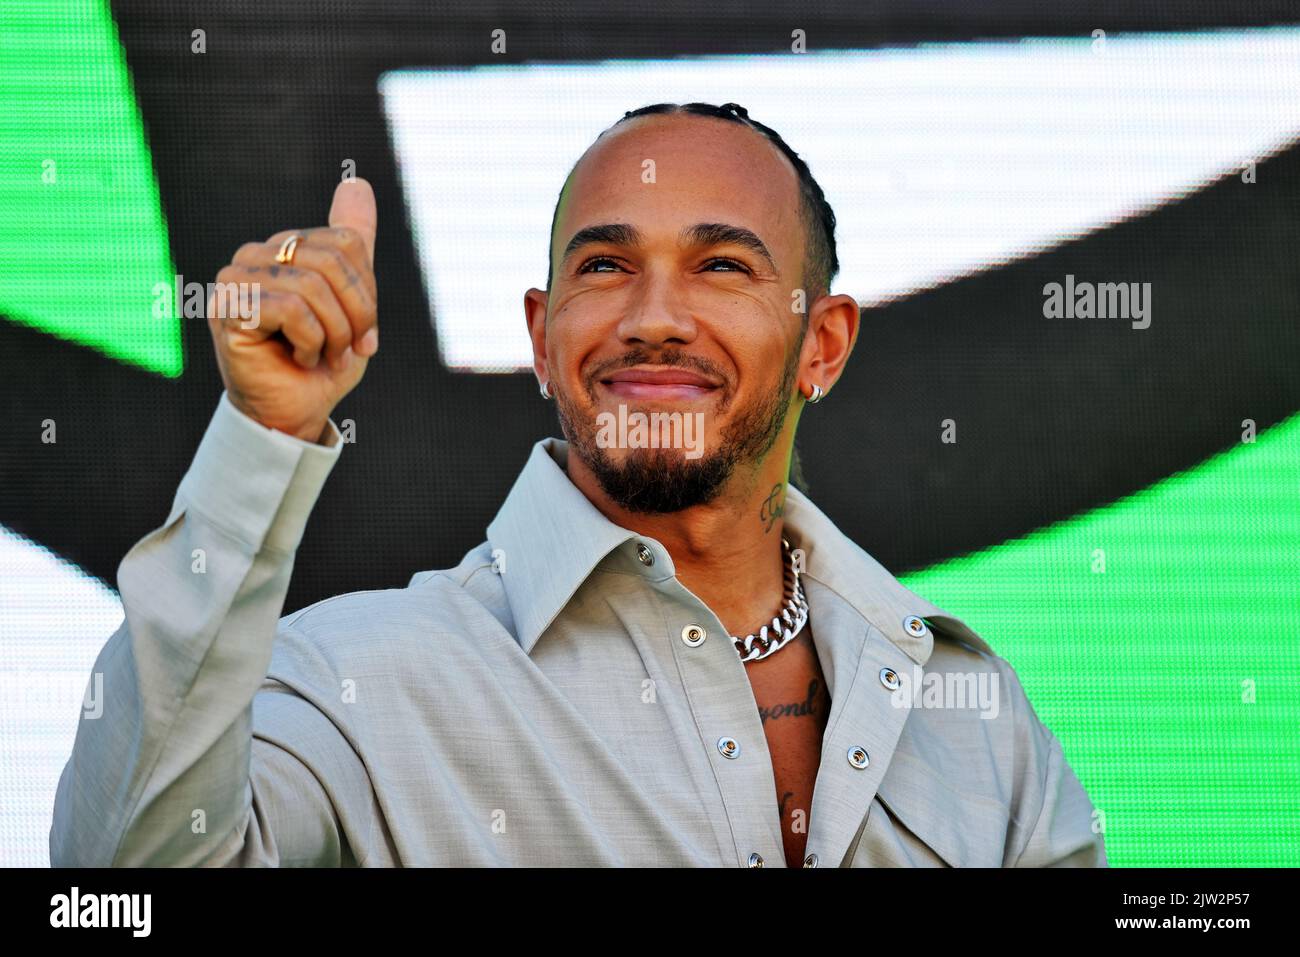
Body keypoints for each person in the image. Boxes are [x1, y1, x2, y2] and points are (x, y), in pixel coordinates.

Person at [50, 102, 1105, 868]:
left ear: (820, 346)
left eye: (722, 266)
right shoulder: (357, 680)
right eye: (603, 266)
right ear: (543, 342)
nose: (652, 315)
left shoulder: (967, 712)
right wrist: (262, 433)